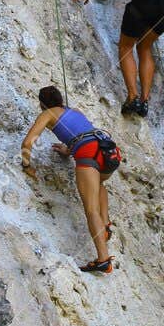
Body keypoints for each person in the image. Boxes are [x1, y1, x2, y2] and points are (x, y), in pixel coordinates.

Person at [21, 86, 121, 274]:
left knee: (91, 210)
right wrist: (68, 150)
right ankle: (106, 225)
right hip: (108, 152)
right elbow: (82, 133)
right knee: (99, 183)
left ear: (42, 104)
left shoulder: (47, 114)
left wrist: (26, 165)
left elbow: (28, 143)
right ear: (60, 100)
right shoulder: (74, 111)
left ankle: (103, 260)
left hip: (89, 155)